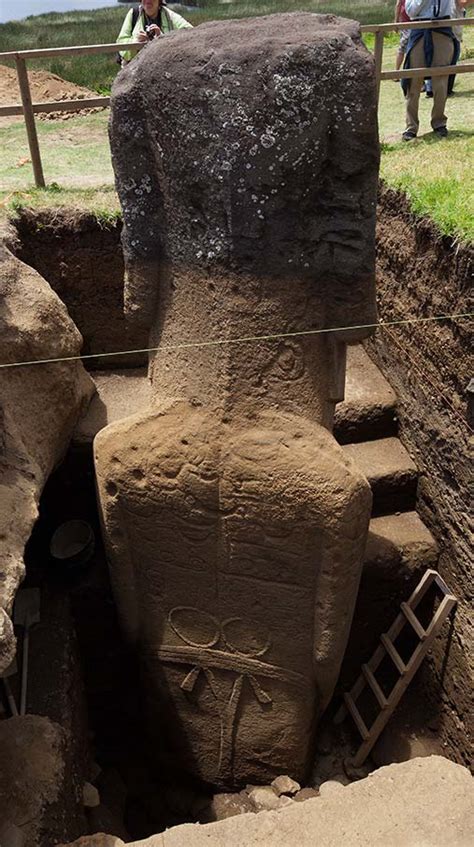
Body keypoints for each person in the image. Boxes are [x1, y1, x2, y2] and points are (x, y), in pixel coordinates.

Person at [402, 0, 460, 140]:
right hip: (419, 30)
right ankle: (411, 127)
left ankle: (439, 122)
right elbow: (410, 12)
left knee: (440, 81)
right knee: (414, 82)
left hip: (442, 29)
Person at [117, 0, 192, 68]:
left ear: (159, 1)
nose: (148, 1)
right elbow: (121, 45)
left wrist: (163, 38)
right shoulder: (133, 14)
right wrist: (135, 42)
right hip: (135, 70)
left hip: (165, 67)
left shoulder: (170, 16)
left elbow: (192, 33)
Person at [395, 0, 411, 73]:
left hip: (406, 23)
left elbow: (398, 5)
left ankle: (397, 72)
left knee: (402, 49)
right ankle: (397, 72)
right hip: (409, 22)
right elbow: (398, 5)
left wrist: (396, 22)